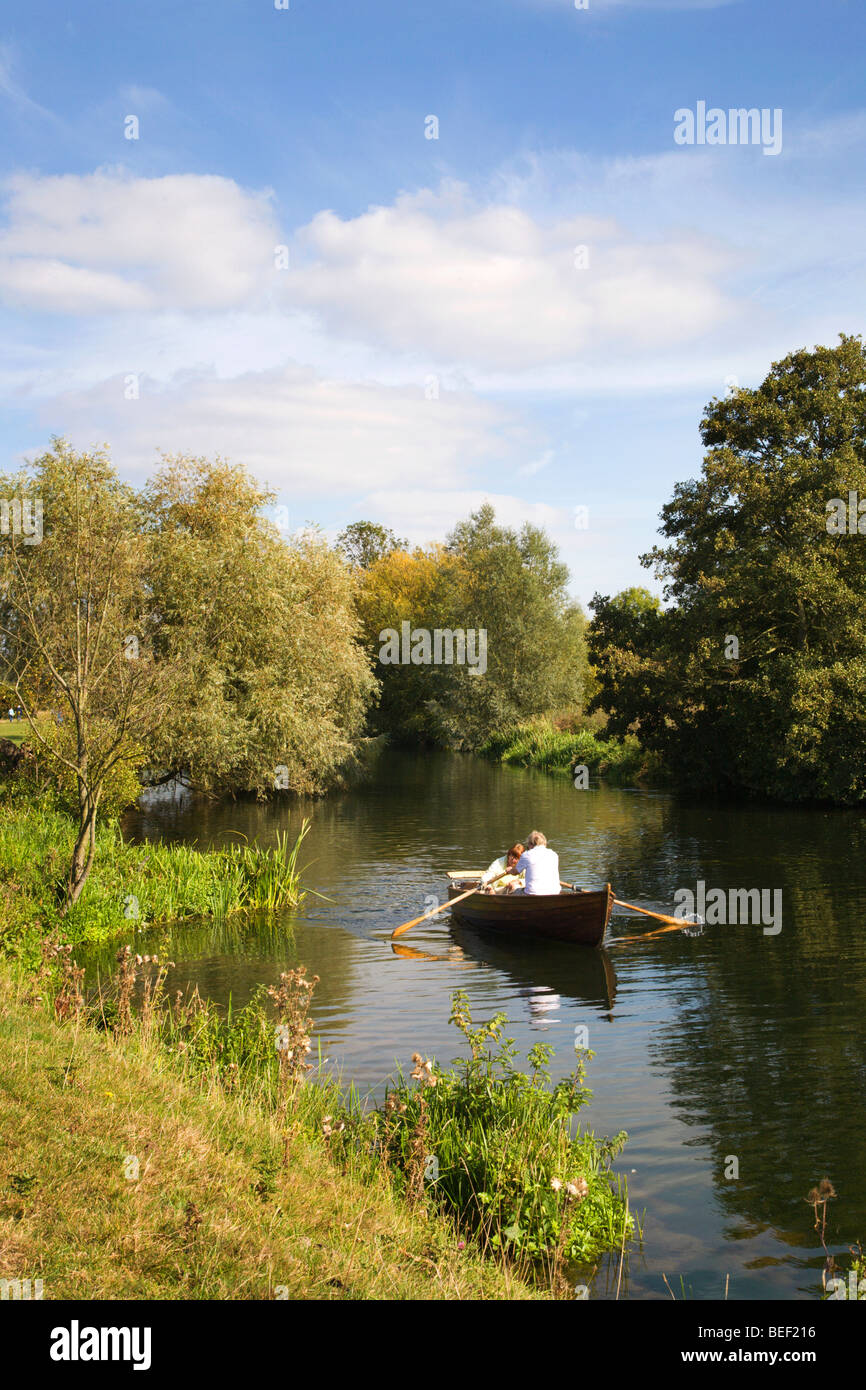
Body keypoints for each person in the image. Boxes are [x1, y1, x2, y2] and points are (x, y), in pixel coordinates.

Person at [511, 831, 560, 895]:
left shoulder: (526, 855)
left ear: (530, 844)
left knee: (514, 890)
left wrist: (510, 870)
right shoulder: (554, 854)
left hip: (533, 894)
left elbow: (515, 872)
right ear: (544, 843)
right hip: (555, 893)